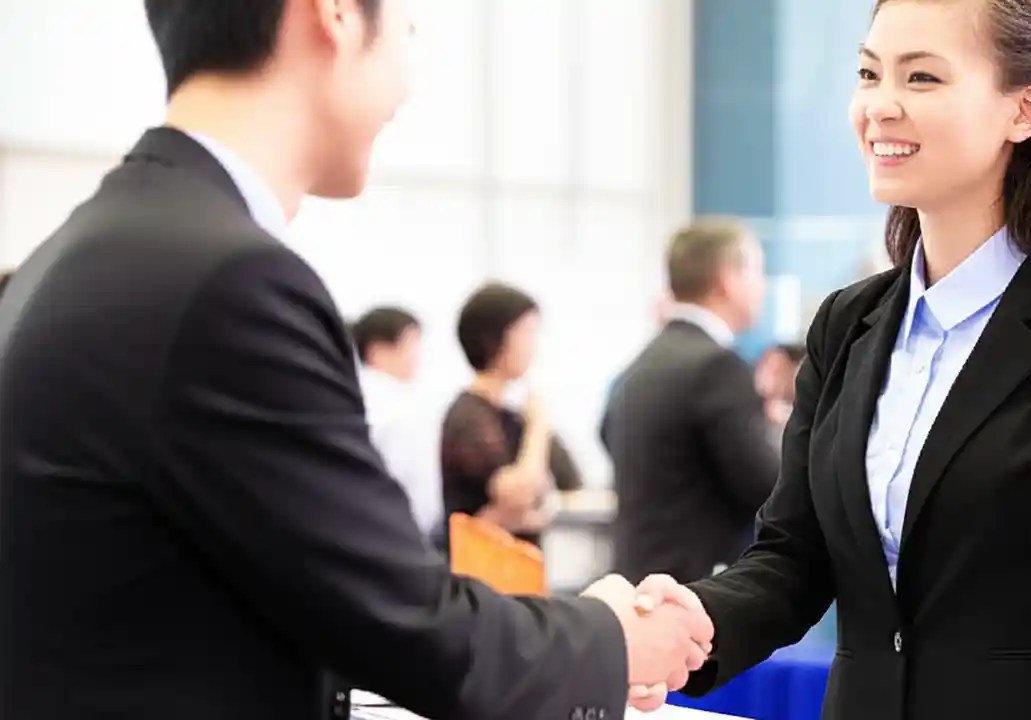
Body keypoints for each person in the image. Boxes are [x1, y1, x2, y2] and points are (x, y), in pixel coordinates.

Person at [0, 2, 710, 719]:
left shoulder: (77, 254)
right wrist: (611, 639)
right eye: (407, 24)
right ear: (334, 13)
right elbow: (406, 622)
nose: (409, 74)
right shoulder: (228, 282)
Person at [630, 0, 1031, 718]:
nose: (880, 107)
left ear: (1026, 110)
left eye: (921, 79)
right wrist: (690, 620)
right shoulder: (848, 324)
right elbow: (794, 559)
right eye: (868, 73)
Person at [601, 218, 779, 585]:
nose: (763, 287)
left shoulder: (643, 363)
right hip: (697, 594)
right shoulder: (717, 367)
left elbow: (604, 432)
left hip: (640, 582)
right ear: (728, 279)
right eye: (758, 272)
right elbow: (764, 487)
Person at [440, 282, 581, 547]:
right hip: (482, 575)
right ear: (494, 339)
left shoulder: (514, 413)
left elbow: (570, 479)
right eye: (526, 333)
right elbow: (519, 493)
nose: (533, 347)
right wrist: (538, 426)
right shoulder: (469, 416)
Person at [351, 306, 444, 541]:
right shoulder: (387, 404)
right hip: (400, 534)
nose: (418, 356)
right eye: (410, 344)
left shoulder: (375, 396)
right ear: (378, 350)